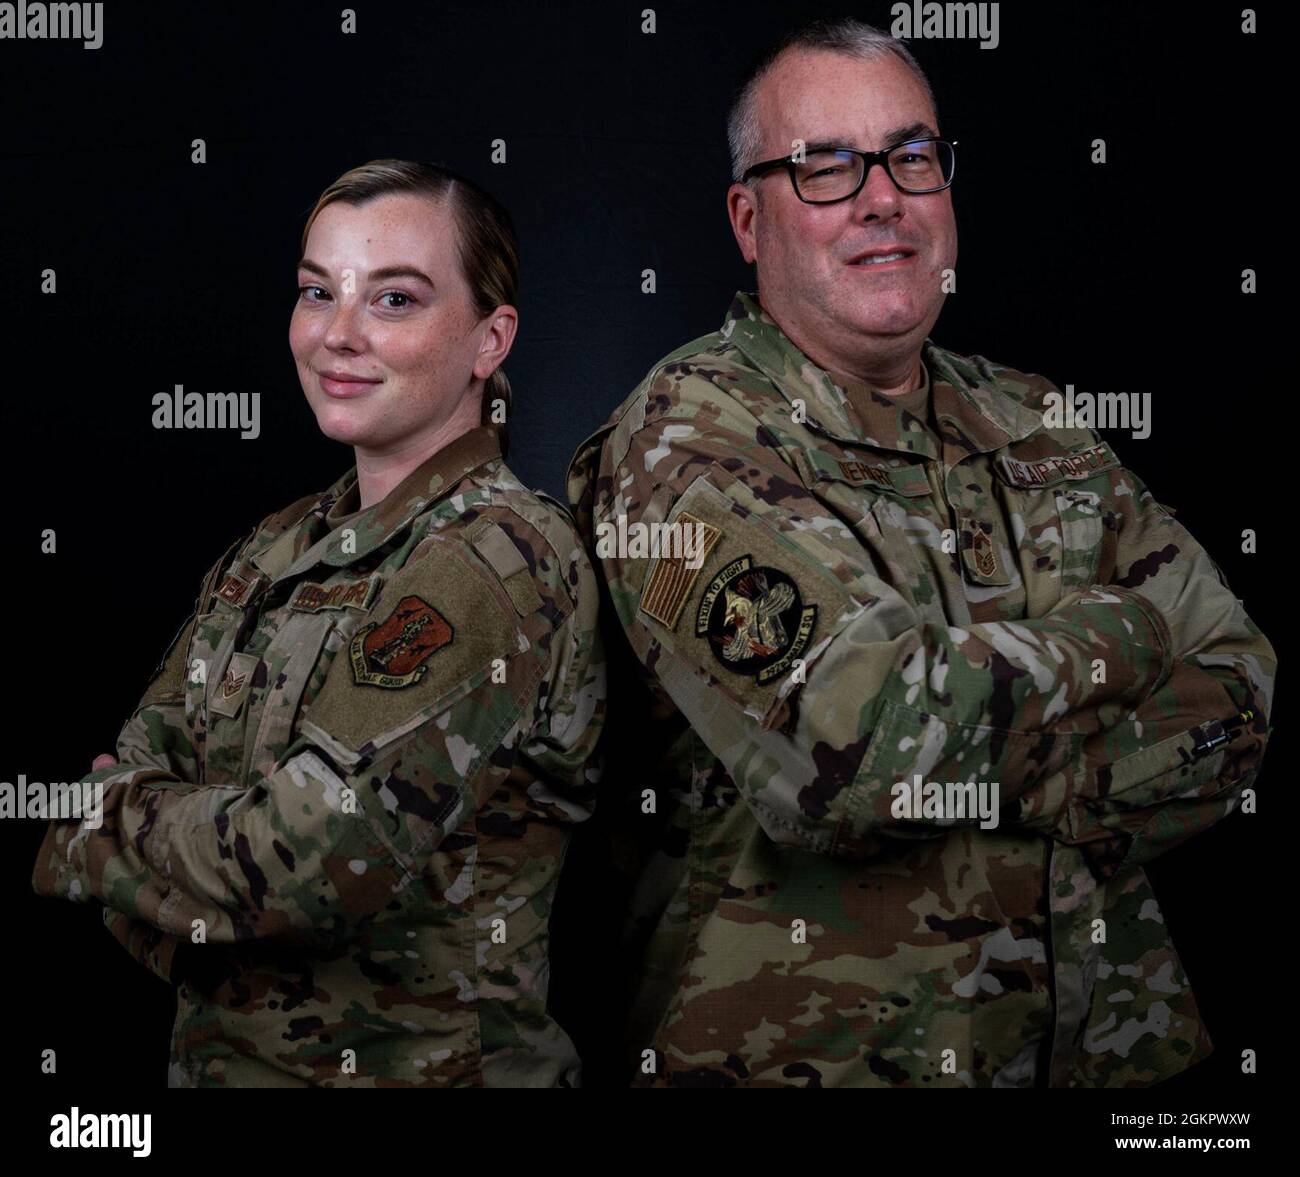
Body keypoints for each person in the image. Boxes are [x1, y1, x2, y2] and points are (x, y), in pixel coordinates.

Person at [566, 19, 1275, 1088]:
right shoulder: (683, 438)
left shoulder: (1032, 419)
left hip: (1105, 1055)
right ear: (746, 218)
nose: (881, 198)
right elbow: (860, 753)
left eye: (910, 156)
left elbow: (1242, 688)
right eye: (824, 167)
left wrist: (1008, 757)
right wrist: (1121, 636)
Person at [32, 159, 606, 1088]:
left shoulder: (497, 560)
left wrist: (110, 824)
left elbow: (300, 864)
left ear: (489, 338)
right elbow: (140, 760)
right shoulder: (276, 547)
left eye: (394, 299)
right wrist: (189, 881)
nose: (338, 335)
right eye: (316, 291)